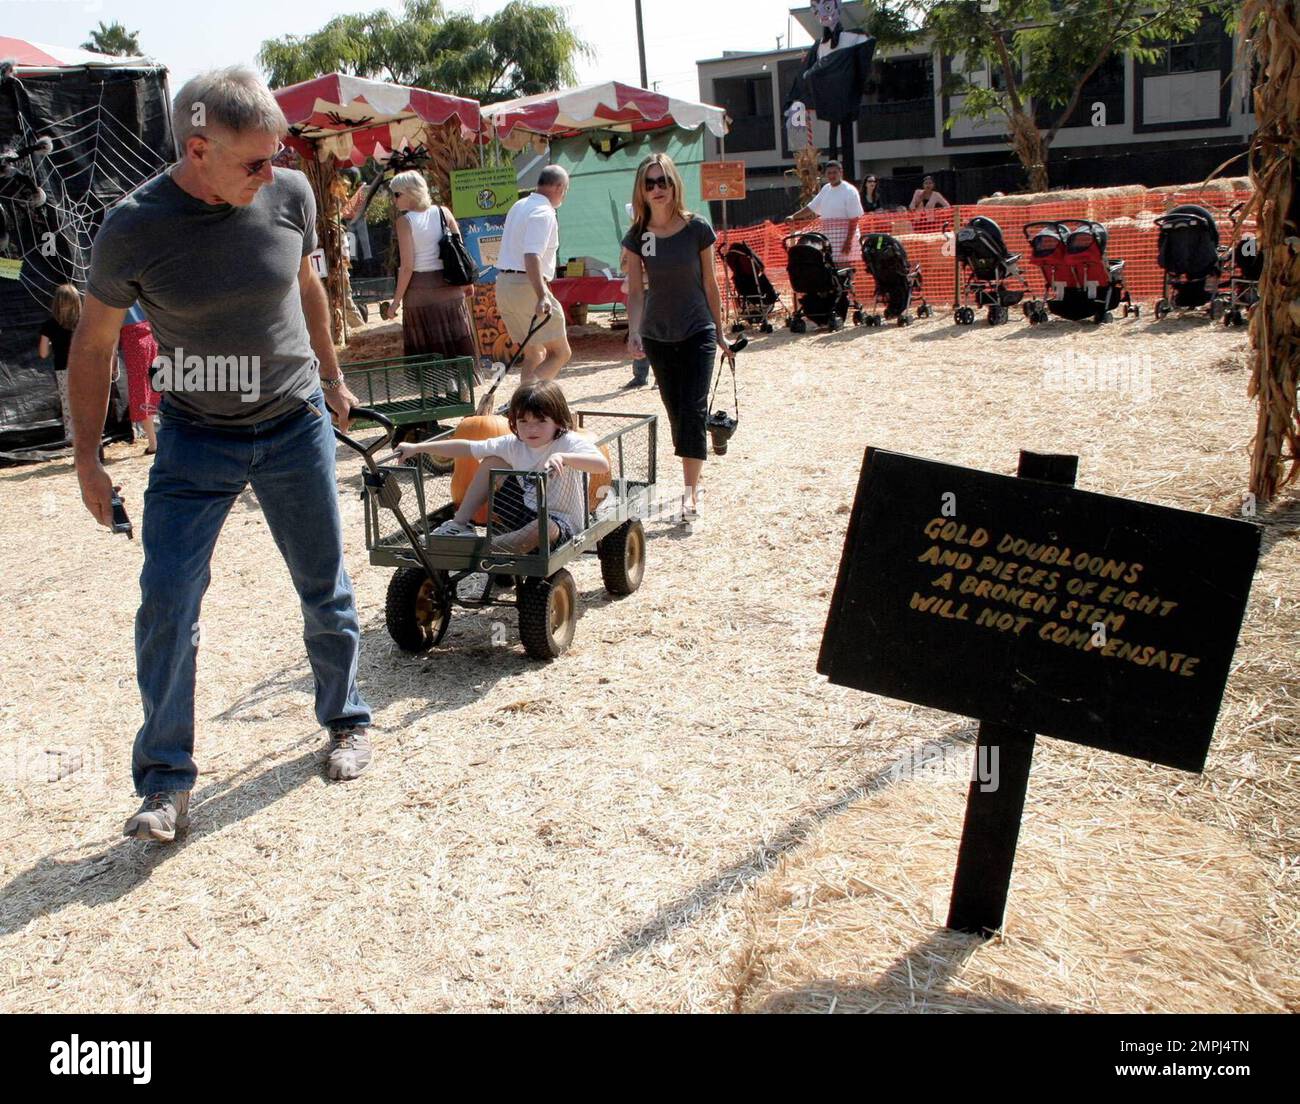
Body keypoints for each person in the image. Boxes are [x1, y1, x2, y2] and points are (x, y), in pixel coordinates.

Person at [70, 66, 374, 843]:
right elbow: (95, 341)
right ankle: (165, 784)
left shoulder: (291, 195)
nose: (271, 174)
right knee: (167, 601)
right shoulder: (133, 227)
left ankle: (346, 720)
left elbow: (306, 286)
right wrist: (87, 461)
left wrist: (332, 374)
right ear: (198, 148)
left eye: (277, 156)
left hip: (293, 421)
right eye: (253, 162)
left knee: (322, 584)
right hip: (195, 436)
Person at [623, 153, 733, 524]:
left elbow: (710, 282)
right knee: (676, 412)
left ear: (674, 185)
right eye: (650, 183)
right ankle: (704, 444)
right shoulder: (638, 236)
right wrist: (633, 330)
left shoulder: (697, 228)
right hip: (657, 334)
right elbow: (636, 292)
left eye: (663, 181)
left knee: (692, 409)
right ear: (641, 188)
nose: (657, 189)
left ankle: (690, 493)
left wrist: (720, 331)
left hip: (698, 328)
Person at [390, 381, 608, 553]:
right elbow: (467, 447)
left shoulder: (568, 442)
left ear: (558, 421)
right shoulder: (514, 445)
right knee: (493, 460)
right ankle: (459, 524)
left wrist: (564, 458)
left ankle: (485, 548)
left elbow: (601, 464)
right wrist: (417, 447)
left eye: (540, 422)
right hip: (526, 511)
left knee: (544, 528)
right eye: (523, 422)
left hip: (562, 522)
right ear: (514, 422)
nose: (531, 429)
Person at [496, 166, 571, 388]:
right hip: (527, 286)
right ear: (559, 187)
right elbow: (531, 256)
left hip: (505, 285)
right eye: (565, 189)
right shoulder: (544, 212)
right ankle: (526, 402)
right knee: (560, 353)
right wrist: (541, 295)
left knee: (534, 353)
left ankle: (522, 408)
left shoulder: (520, 205)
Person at [388, 169, 476, 359]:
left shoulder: (405, 222)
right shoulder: (444, 212)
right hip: (451, 286)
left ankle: (435, 385)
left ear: (410, 192)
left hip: (421, 292)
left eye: (397, 194)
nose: (394, 200)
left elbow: (407, 267)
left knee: (428, 353)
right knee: (457, 347)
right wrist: (467, 282)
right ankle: (460, 384)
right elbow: (460, 250)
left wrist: (395, 303)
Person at [786, 160, 864, 263]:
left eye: (834, 172)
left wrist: (848, 242)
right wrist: (794, 216)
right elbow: (811, 207)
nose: (832, 176)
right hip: (828, 239)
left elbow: (854, 219)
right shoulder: (826, 189)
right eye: (829, 173)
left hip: (845, 239)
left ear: (841, 172)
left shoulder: (850, 191)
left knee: (845, 270)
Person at [38, 283, 81, 444]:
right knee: (88, 404)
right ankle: (95, 445)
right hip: (85, 368)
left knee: (70, 408)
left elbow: (43, 354)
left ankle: (76, 446)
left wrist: (52, 344)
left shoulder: (49, 325)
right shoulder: (84, 321)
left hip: (64, 370)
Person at [119, 302, 160, 454]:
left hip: (133, 339)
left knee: (141, 390)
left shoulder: (114, 288)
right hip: (152, 334)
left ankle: (153, 442)